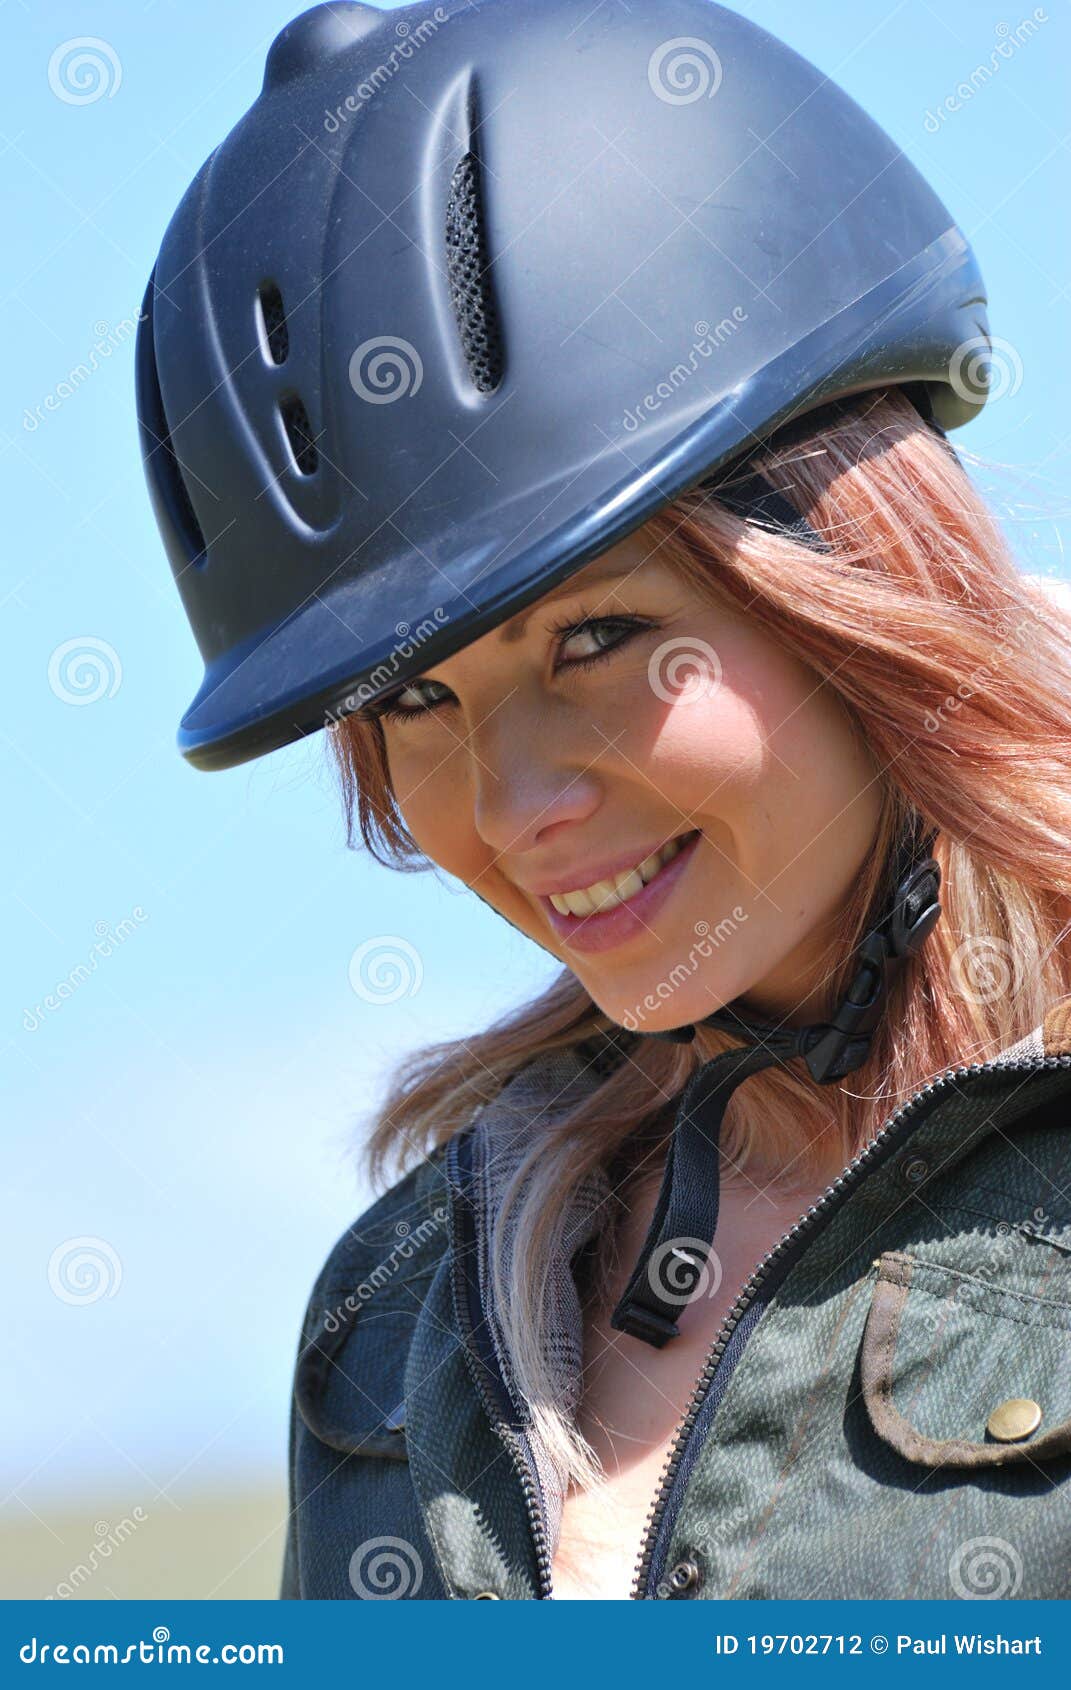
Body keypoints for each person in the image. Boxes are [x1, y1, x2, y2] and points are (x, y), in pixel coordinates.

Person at [135, 0, 1071, 1600]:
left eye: (598, 636)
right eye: (415, 700)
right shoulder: (398, 1311)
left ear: (859, 572)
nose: (513, 804)